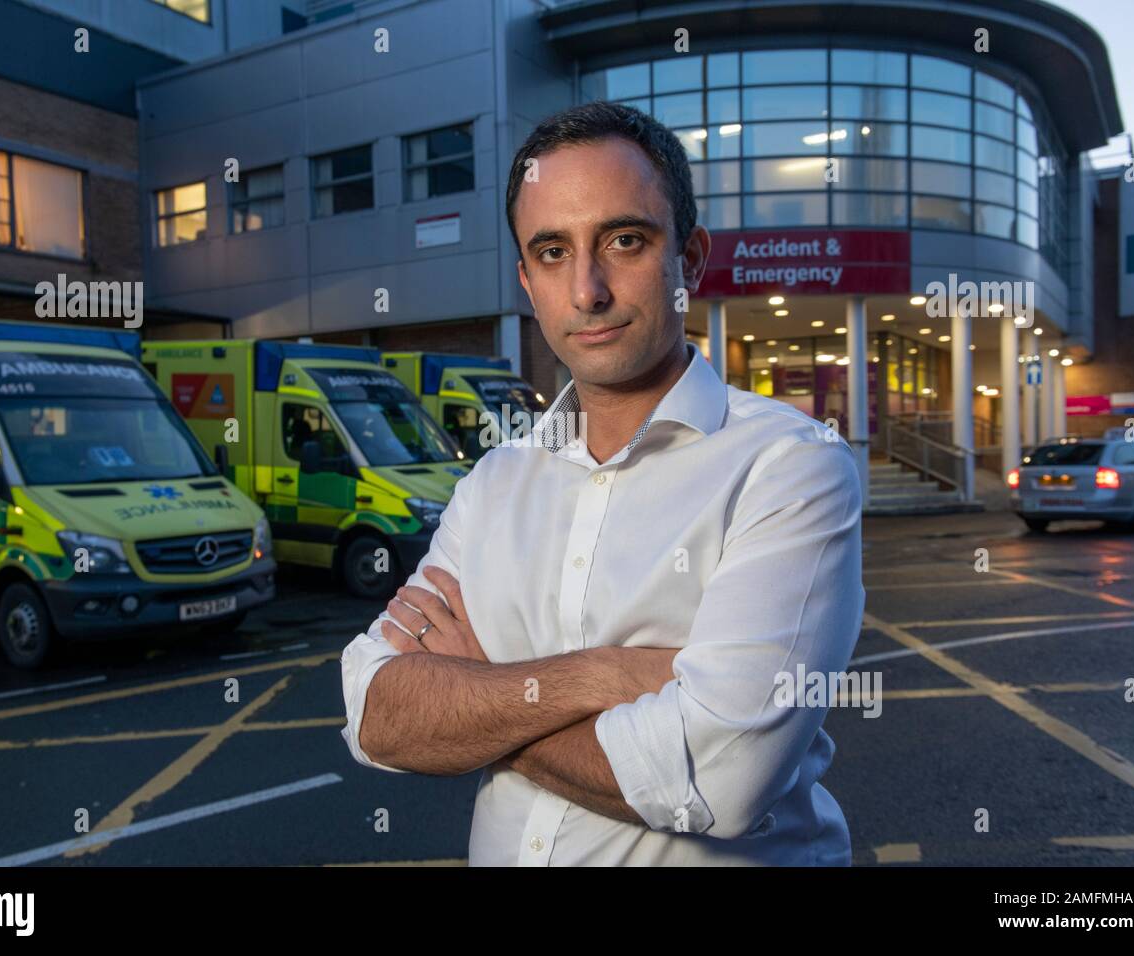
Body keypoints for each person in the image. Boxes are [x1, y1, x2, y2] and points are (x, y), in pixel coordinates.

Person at [340, 101, 865, 866]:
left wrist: (481, 696)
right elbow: (374, 712)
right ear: (526, 279)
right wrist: (606, 678)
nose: (587, 291)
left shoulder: (789, 465)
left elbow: (720, 778)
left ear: (690, 261)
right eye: (552, 252)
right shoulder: (496, 481)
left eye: (624, 240)